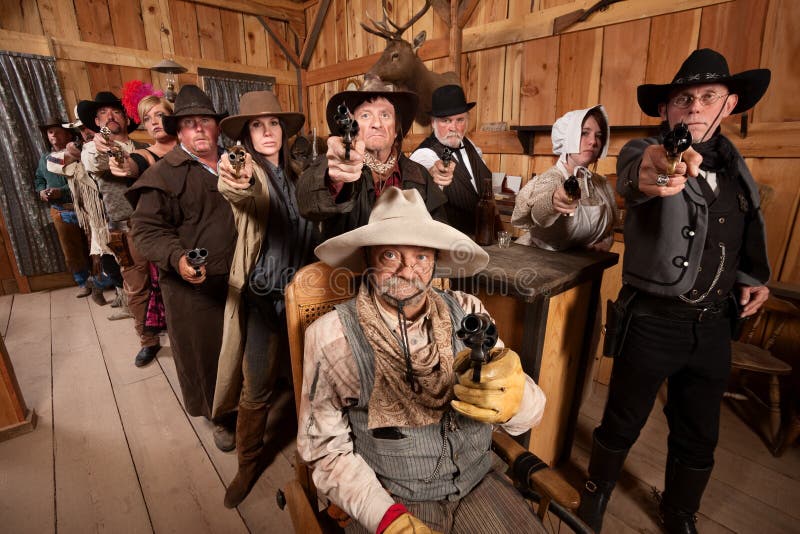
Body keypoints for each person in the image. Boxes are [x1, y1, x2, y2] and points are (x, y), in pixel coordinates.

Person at [576, 49, 771, 534]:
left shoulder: (735, 167)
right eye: (684, 99)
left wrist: (754, 278)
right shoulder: (643, 150)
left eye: (708, 97)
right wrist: (662, 172)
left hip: (714, 326)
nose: (696, 108)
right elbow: (643, 177)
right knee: (622, 420)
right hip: (652, 321)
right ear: (666, 110)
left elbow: (743, 225)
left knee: (700, 432)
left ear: (730, 105)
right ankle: (594, 498)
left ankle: (679, 512)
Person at [297, 187, 548, 534]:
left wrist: (516, 398)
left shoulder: (470, 312)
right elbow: (324, 451)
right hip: (392, 498)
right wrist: (384, 516)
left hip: (480, 483)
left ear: (435, 261)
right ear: (368, 259)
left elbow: (532, 412)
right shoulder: (332, 337)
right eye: (389, 255)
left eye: (421, 257)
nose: (407, 271)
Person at [213, 91, 320, 507]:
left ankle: (317, 458)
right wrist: (233, 177)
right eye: (257, 125)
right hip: (264, 296)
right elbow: (237, 191)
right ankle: (247, 465)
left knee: (313, 381)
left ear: (283, 130)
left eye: (273, 123)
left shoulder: (300, 173)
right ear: (246, 135)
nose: (267, 131)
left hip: (308, 297)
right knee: (255, 388)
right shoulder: (248, 173)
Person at [127, 85, 237, 451]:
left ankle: (248, 402)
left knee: (241, 349)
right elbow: (145, 230)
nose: (199, 129)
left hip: (241, 278)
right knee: (205, 353)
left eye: (205, 121)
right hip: (196, 284)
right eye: (190, 124)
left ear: (216, 126)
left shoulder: (234, 162)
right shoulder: (166, 175)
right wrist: (177, 258)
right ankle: (218, 415)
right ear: (179, 131)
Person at [297, 80, 447, 240]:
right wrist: (333, 178)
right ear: (353, 128)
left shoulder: (419, 174)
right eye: (366, 115)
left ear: (396, 130)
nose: (377, 123)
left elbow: (440, 231)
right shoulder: (335, 164)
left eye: (385, 115)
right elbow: (307, 202)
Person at [109, 86, 178, 367]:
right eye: (147, 118)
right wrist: (120, 162)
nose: (154, 122)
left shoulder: (192, 150)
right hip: (146, 234)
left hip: (184, 232)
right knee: (140, 288)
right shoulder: (144, 155)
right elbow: (130, 165)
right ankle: (148, 341)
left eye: (160, 115)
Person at [78, 91, 148, 320]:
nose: (110, 116)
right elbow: (97, 162)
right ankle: (147, 338)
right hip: (123, 228)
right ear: (97, 122)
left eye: (116, 111)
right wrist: (104, 143)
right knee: (134, 285)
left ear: (126, 118)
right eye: (103, 113)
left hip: (151, 223)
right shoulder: (91, 149)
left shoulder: (144, 148)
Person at [511, 105, 618, 251]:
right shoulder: (552, 178)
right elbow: (538, 214)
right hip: (543, 266)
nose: (593, 141)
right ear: (568, 138)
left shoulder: (601, 185)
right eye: (584, 133)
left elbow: (609, 229)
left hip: (585, 268)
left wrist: (603, 245)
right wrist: (553, 201)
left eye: (598, 136)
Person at [48, 109, 118, 305]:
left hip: (114, 209)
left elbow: (103, 163)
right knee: (104, 252)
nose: (85, 132)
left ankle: (112, 290)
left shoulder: (105, 147)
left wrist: (85, 153)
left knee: (116, 255)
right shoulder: (70, 152)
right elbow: (53, 163)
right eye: (81, 129)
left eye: (88, 128)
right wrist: (76, 153)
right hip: (94, 214)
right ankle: (100, 285)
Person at [409, 84, 493, 235]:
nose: (453, 127)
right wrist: (435, 174)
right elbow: (430, 171)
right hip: (449, 244)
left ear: (467, 121)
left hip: (484, 237)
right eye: (446, 121)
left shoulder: (470, 145)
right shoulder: (424, 154)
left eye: (459, 120)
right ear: (433, 123)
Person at [35, 116, 91, 297]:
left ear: (68, 134)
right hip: (60, 210)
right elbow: (39, 179)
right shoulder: (45, 159)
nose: (53, 136)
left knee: (95, 244)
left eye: (57, 131)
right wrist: (42, 191)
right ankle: (82, 282)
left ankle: (102, 279)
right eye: (50, 132)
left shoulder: (78, 155)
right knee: (71, 249)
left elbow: (85, 180)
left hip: (85, 206)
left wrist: (62, 191)